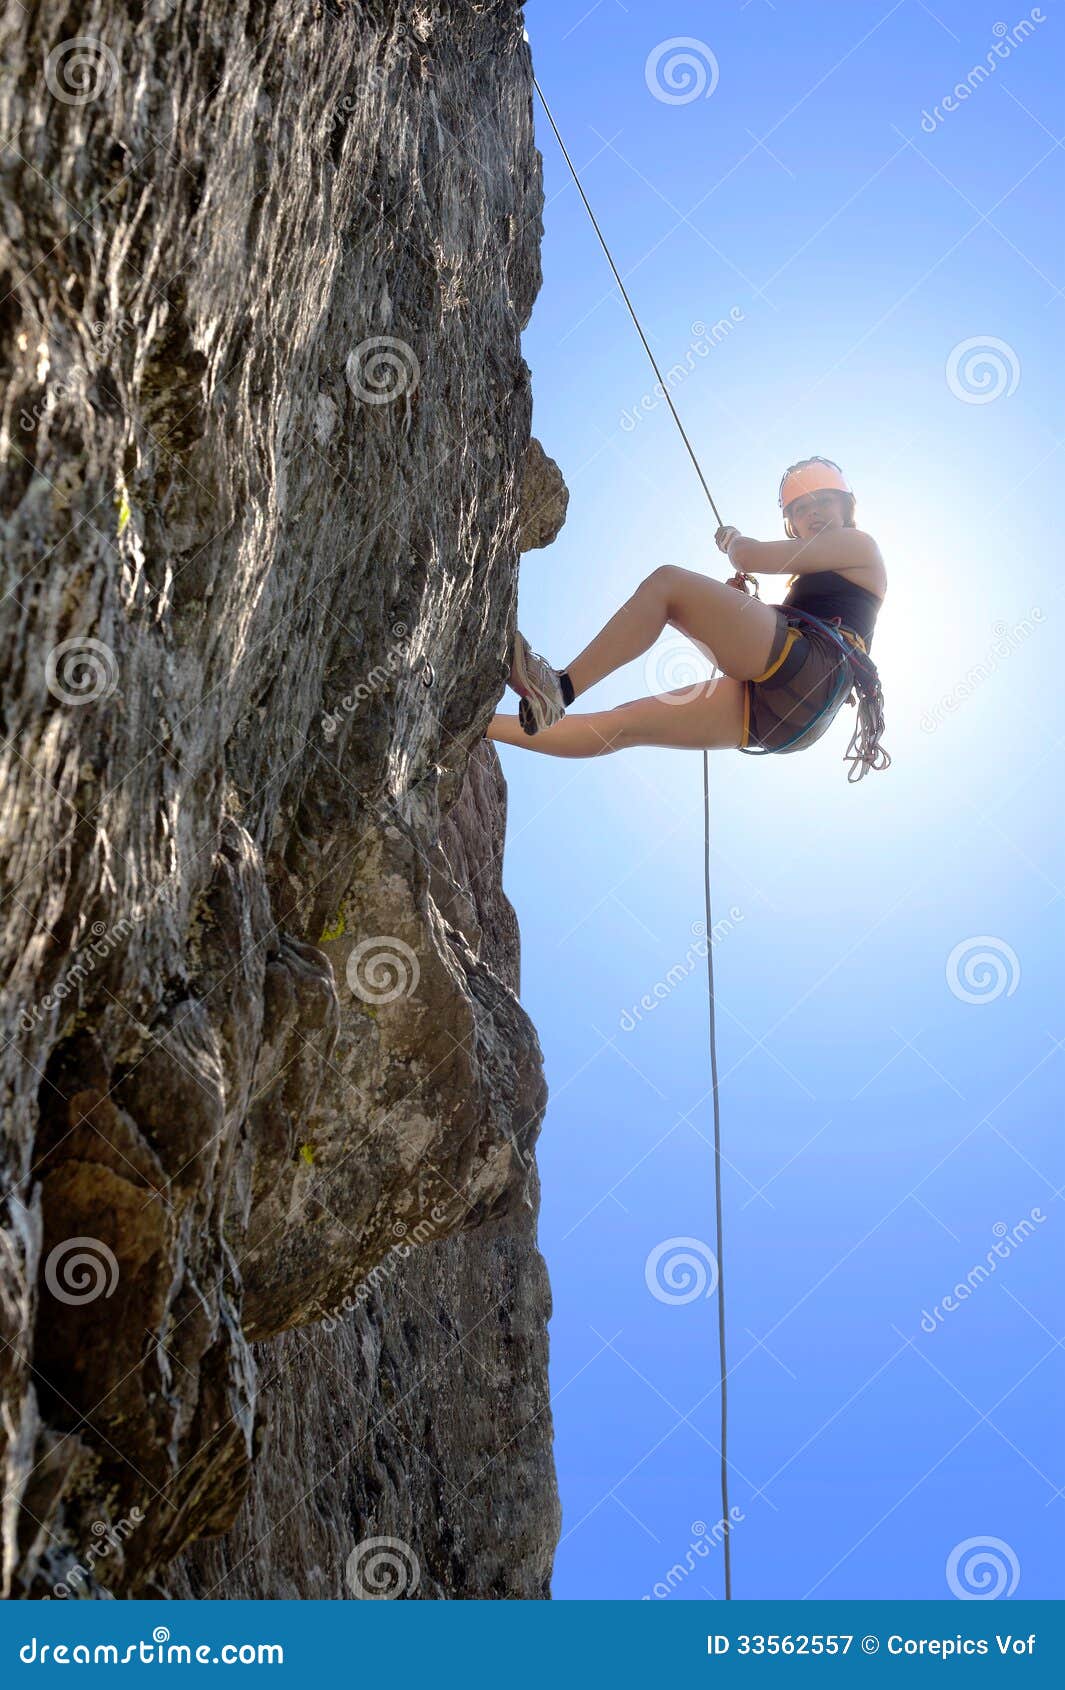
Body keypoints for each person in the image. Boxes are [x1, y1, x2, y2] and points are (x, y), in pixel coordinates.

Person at [488, 456, 891, 780]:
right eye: (801, 508)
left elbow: (749, 556)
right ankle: (479, 726)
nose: (813, 514)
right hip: (791, 720)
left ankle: (560, 687)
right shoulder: (820, 574)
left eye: (822, 501)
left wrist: (734, 541)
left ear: (845, 505)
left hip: (810, 666)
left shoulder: (859, 545)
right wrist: (742, 613)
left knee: (668, 586)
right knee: (622, 724)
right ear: (792, 520)